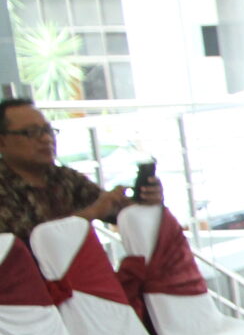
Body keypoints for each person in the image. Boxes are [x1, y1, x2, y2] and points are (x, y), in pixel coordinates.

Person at [0, 97, 162, 240]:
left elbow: (115, 211)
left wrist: (148, 204)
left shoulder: (63, 177)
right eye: (31, 132)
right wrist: (91, 214)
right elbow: (23, 242)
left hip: (81, 272)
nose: (46, 139)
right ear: (2, 142)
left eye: (47, 130)